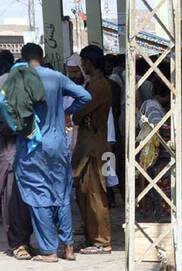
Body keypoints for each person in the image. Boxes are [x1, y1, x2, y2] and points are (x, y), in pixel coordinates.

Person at [0, 43, 91, 262]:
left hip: (33, 145)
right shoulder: (57, 77)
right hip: (59, 144)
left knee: (38, 196)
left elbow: (1, 103)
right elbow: (85, 97)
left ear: (22, 57)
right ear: (43, 56)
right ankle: (68, 247)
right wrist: (65, 112)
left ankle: (49, 250)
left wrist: (16, 125)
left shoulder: (19, 77)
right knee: (61, 194)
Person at [0, 50, 34, 258]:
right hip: (11, 157)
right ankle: (18, 243)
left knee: (26, 202)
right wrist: (21, 126)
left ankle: (24, 240)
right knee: (12, 201)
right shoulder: (2, 98)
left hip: (25, 156)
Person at [73, 45, 113, 254]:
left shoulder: (99, 86)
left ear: (89, 62)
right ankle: (93, 238)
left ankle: (101, 241)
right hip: (90, 146)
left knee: (95, 195)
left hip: (94, 148)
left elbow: (78, 115)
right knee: (85, 194)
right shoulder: (94, 84)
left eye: (83, 62)